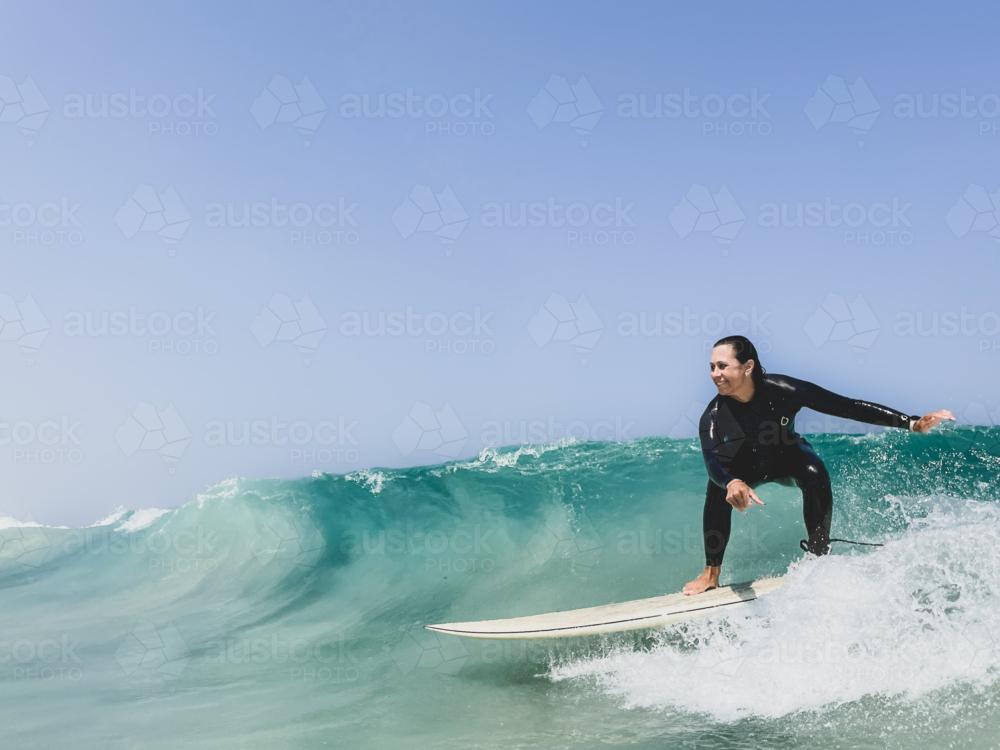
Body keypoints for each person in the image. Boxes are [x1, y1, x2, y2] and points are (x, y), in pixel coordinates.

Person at [682, 335, 954, 596]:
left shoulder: (784, 390)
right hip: (746, 467)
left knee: (815, 472)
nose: (715, 374)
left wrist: (912, 423)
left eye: (722, 366)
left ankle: (818, 556)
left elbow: (847, 407)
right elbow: (712, 459)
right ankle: (711, 573)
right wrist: (732, 482)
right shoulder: (715, 414)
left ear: (748, 367)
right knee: (718, 488)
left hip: (788, 458)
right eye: (712, 367)